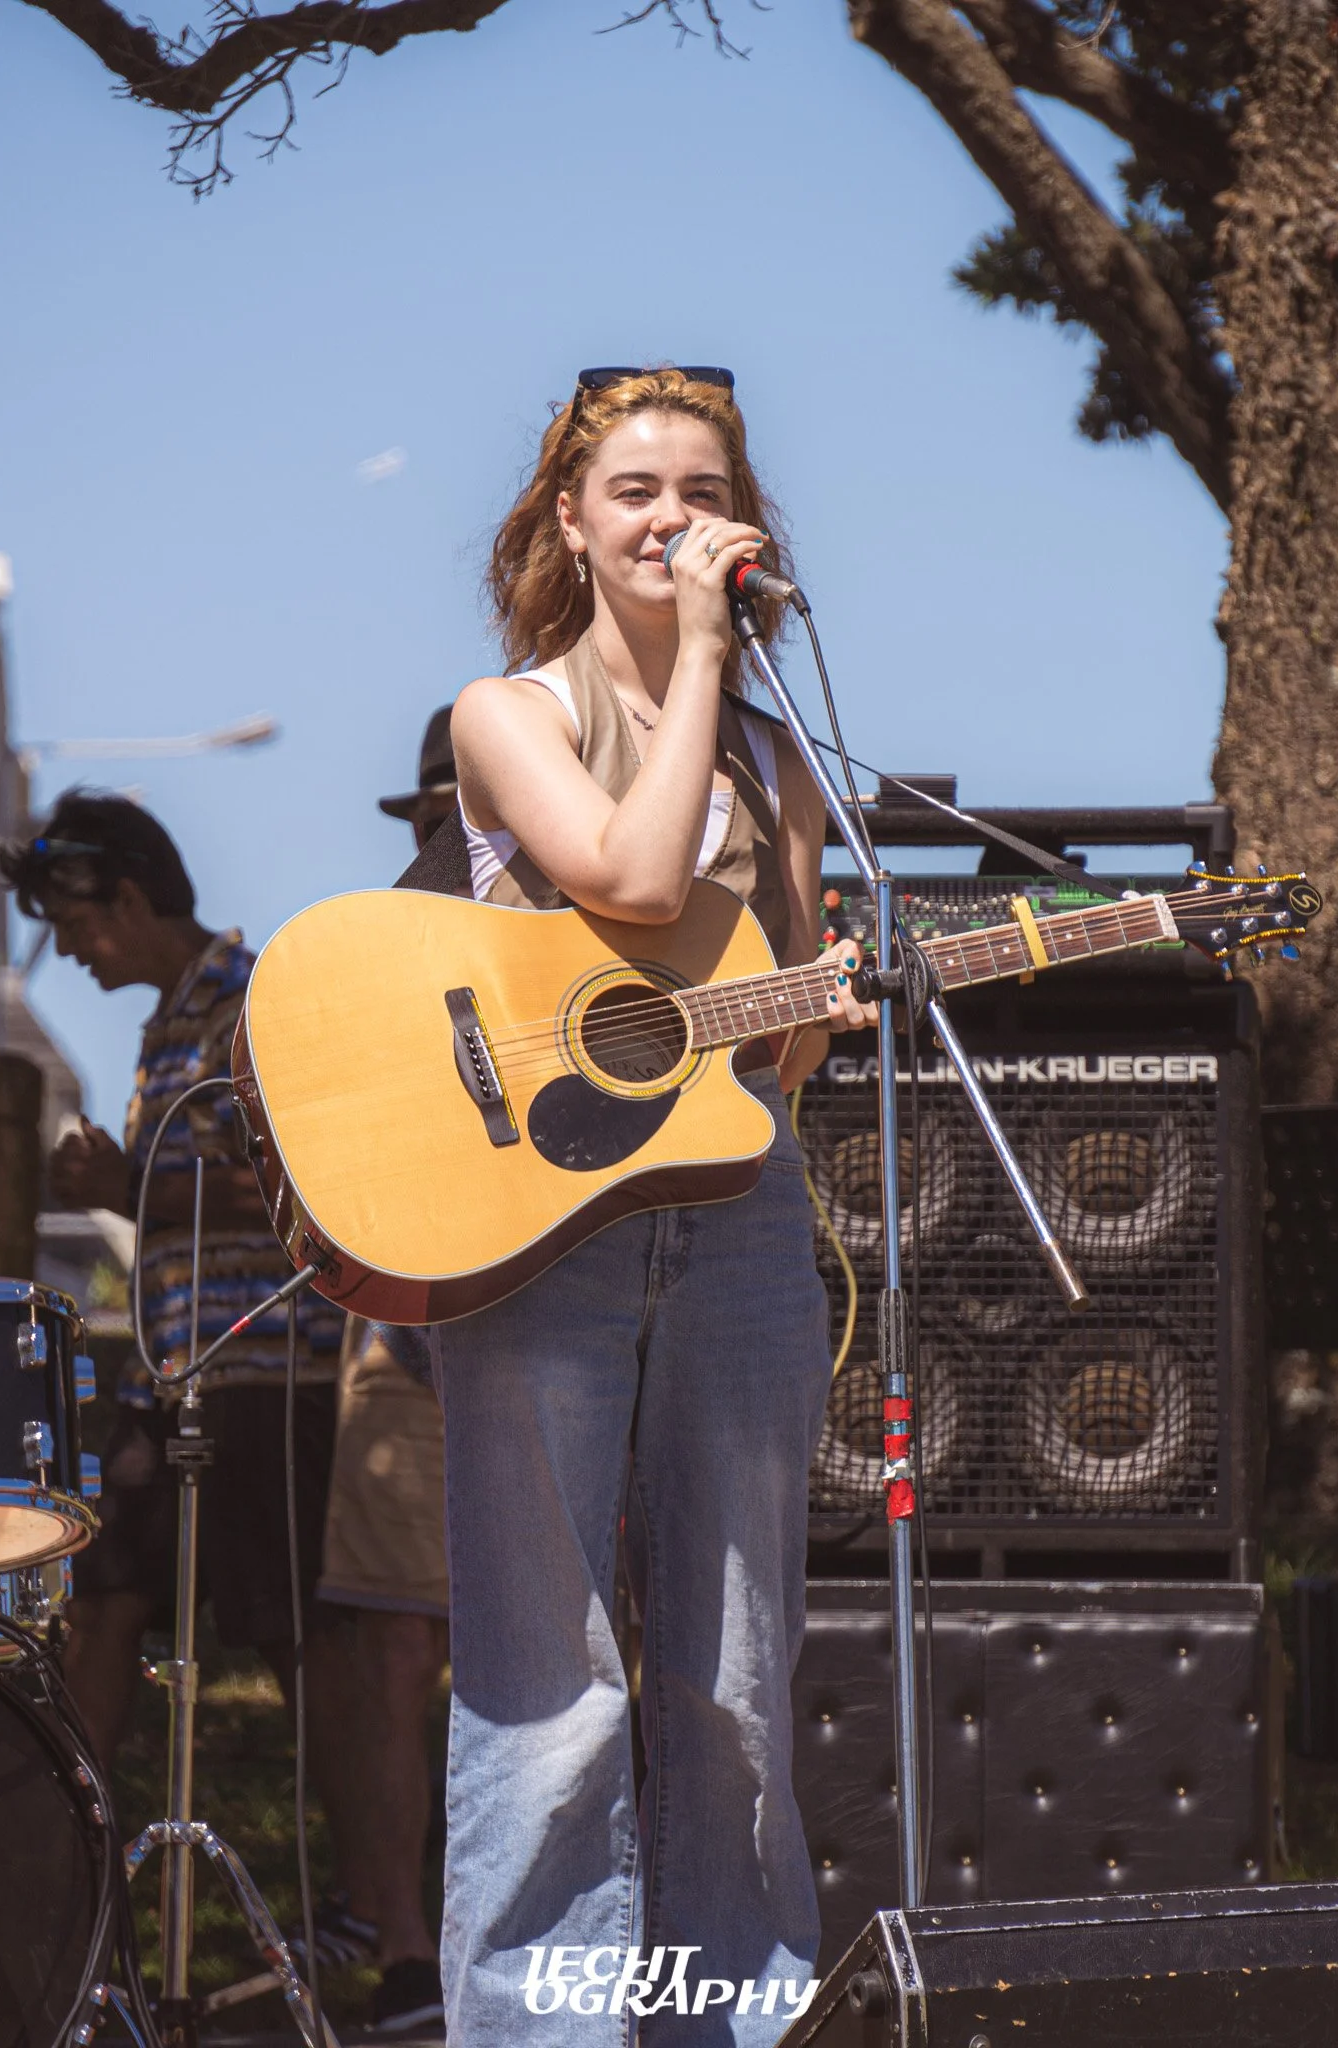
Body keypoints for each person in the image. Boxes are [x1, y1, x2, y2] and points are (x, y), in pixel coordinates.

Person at [434, 366, 874, 2044]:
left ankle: (735, 2019)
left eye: (705, 486)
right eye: (637, 490)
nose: (674, 516)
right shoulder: (509, 713)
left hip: (737, 1210)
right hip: (537, 1226)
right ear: (571, 520)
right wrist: (694, 650)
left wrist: (816, 1018)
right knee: (556, 1678)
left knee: (734, 1666)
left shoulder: (775, 752)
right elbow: (624, 873)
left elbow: (770, 1053)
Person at [0, 795, 359, 1862]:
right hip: (174, 1377)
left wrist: (135, 1178)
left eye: (79, 927)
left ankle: (376, 1908)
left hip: (262, 1373)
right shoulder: (167, 1024)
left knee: (292, 1635)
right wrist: (134, 1188)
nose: (71, 953)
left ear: (135, 897)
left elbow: (316, 1192)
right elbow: (186, 1209)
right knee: (103, 1604)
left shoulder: (252, 1003)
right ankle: (71, 1887)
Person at [308, 711, 458, 2035]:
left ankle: (591, 1943)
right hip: (410, 1345)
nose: (442, 831)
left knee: (612, 1651)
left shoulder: (584, 910)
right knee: (395, 1655)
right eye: (429, 812)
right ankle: (407, 1953)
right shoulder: (377, 943)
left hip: (570, 1330)